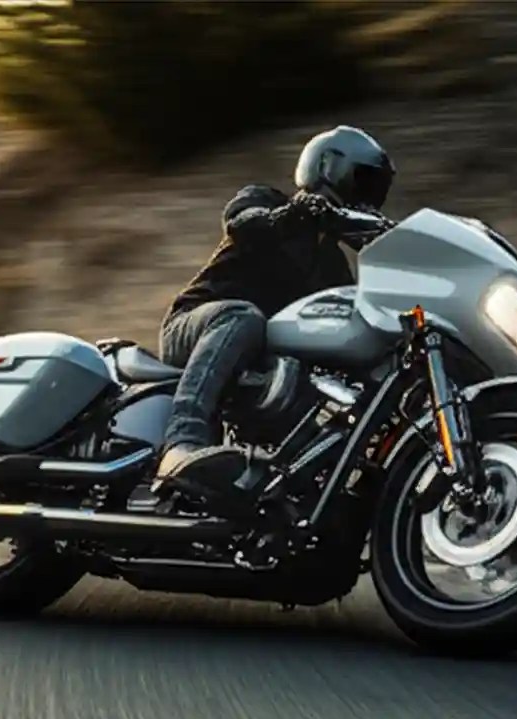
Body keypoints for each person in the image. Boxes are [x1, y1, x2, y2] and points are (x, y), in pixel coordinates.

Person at [154, 125, 396, 517]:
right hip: (194, 325)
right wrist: (297, 213)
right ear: (329, 168)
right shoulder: (266, 200)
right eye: (361, 181)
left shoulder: (332, 265)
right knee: (243, 316)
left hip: (255, 355)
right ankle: (181, 442)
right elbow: (243, 223)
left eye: (375, 188)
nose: (366, 196)